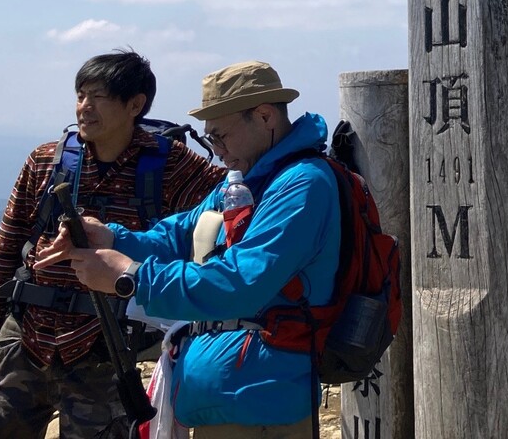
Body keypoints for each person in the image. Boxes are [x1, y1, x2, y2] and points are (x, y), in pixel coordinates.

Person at [36, 60, 341, 438]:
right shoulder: (249, 178)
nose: (217, 151)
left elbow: (240, 283)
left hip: (260, 404)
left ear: (264, 117)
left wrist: (130, 277)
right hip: (228, 396)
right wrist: (111, 238)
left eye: (221, 136)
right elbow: (181, 235)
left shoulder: (302, 186)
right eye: (210, 138)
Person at [0, 50, 225, 439]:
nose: (84, 107)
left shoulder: (168, 165)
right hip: (25, 334)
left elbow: (236, 193)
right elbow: (6, 248)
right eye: (80, 95)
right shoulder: (46, 161)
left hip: (104, 346)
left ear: (135, 104)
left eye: (97, 97)